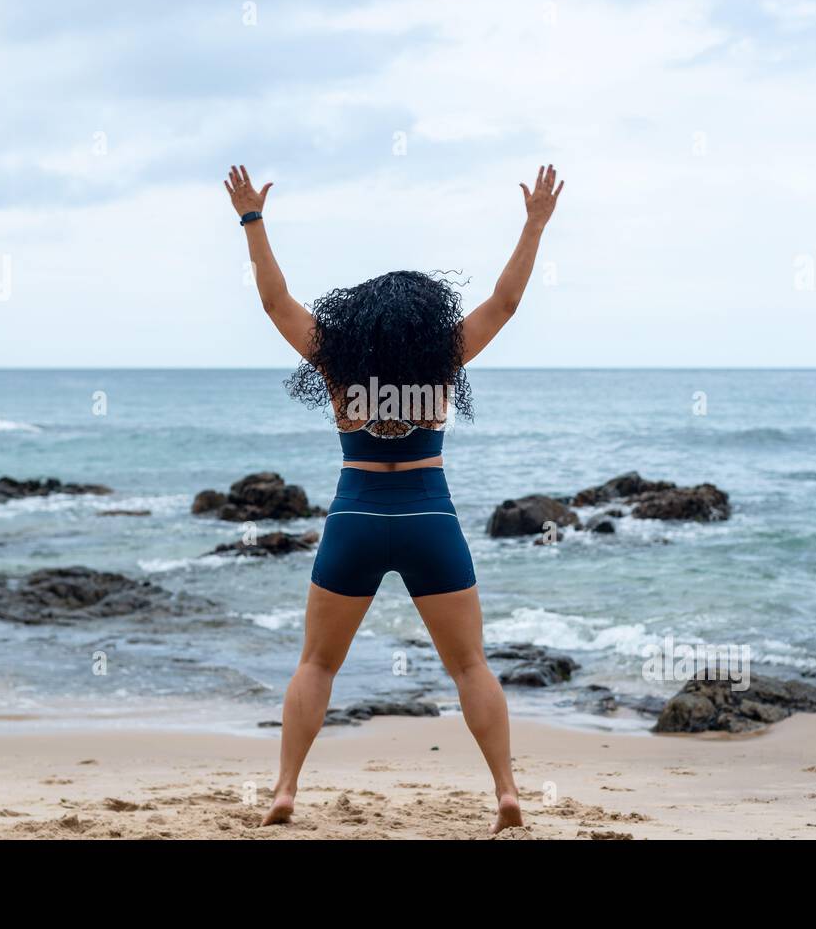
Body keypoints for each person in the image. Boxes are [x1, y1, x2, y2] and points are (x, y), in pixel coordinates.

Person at [224, 163, 563, 833]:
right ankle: (505, 790)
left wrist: (251, 220)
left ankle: (286, 788)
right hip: (429, 520)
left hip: (354, 520)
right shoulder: (444, 356)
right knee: (470, 664)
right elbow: (504, 302)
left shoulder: (336, 358)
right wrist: (534, 225)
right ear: (425, 318)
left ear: (359, 318)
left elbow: (273, 301)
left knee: (317, 662)